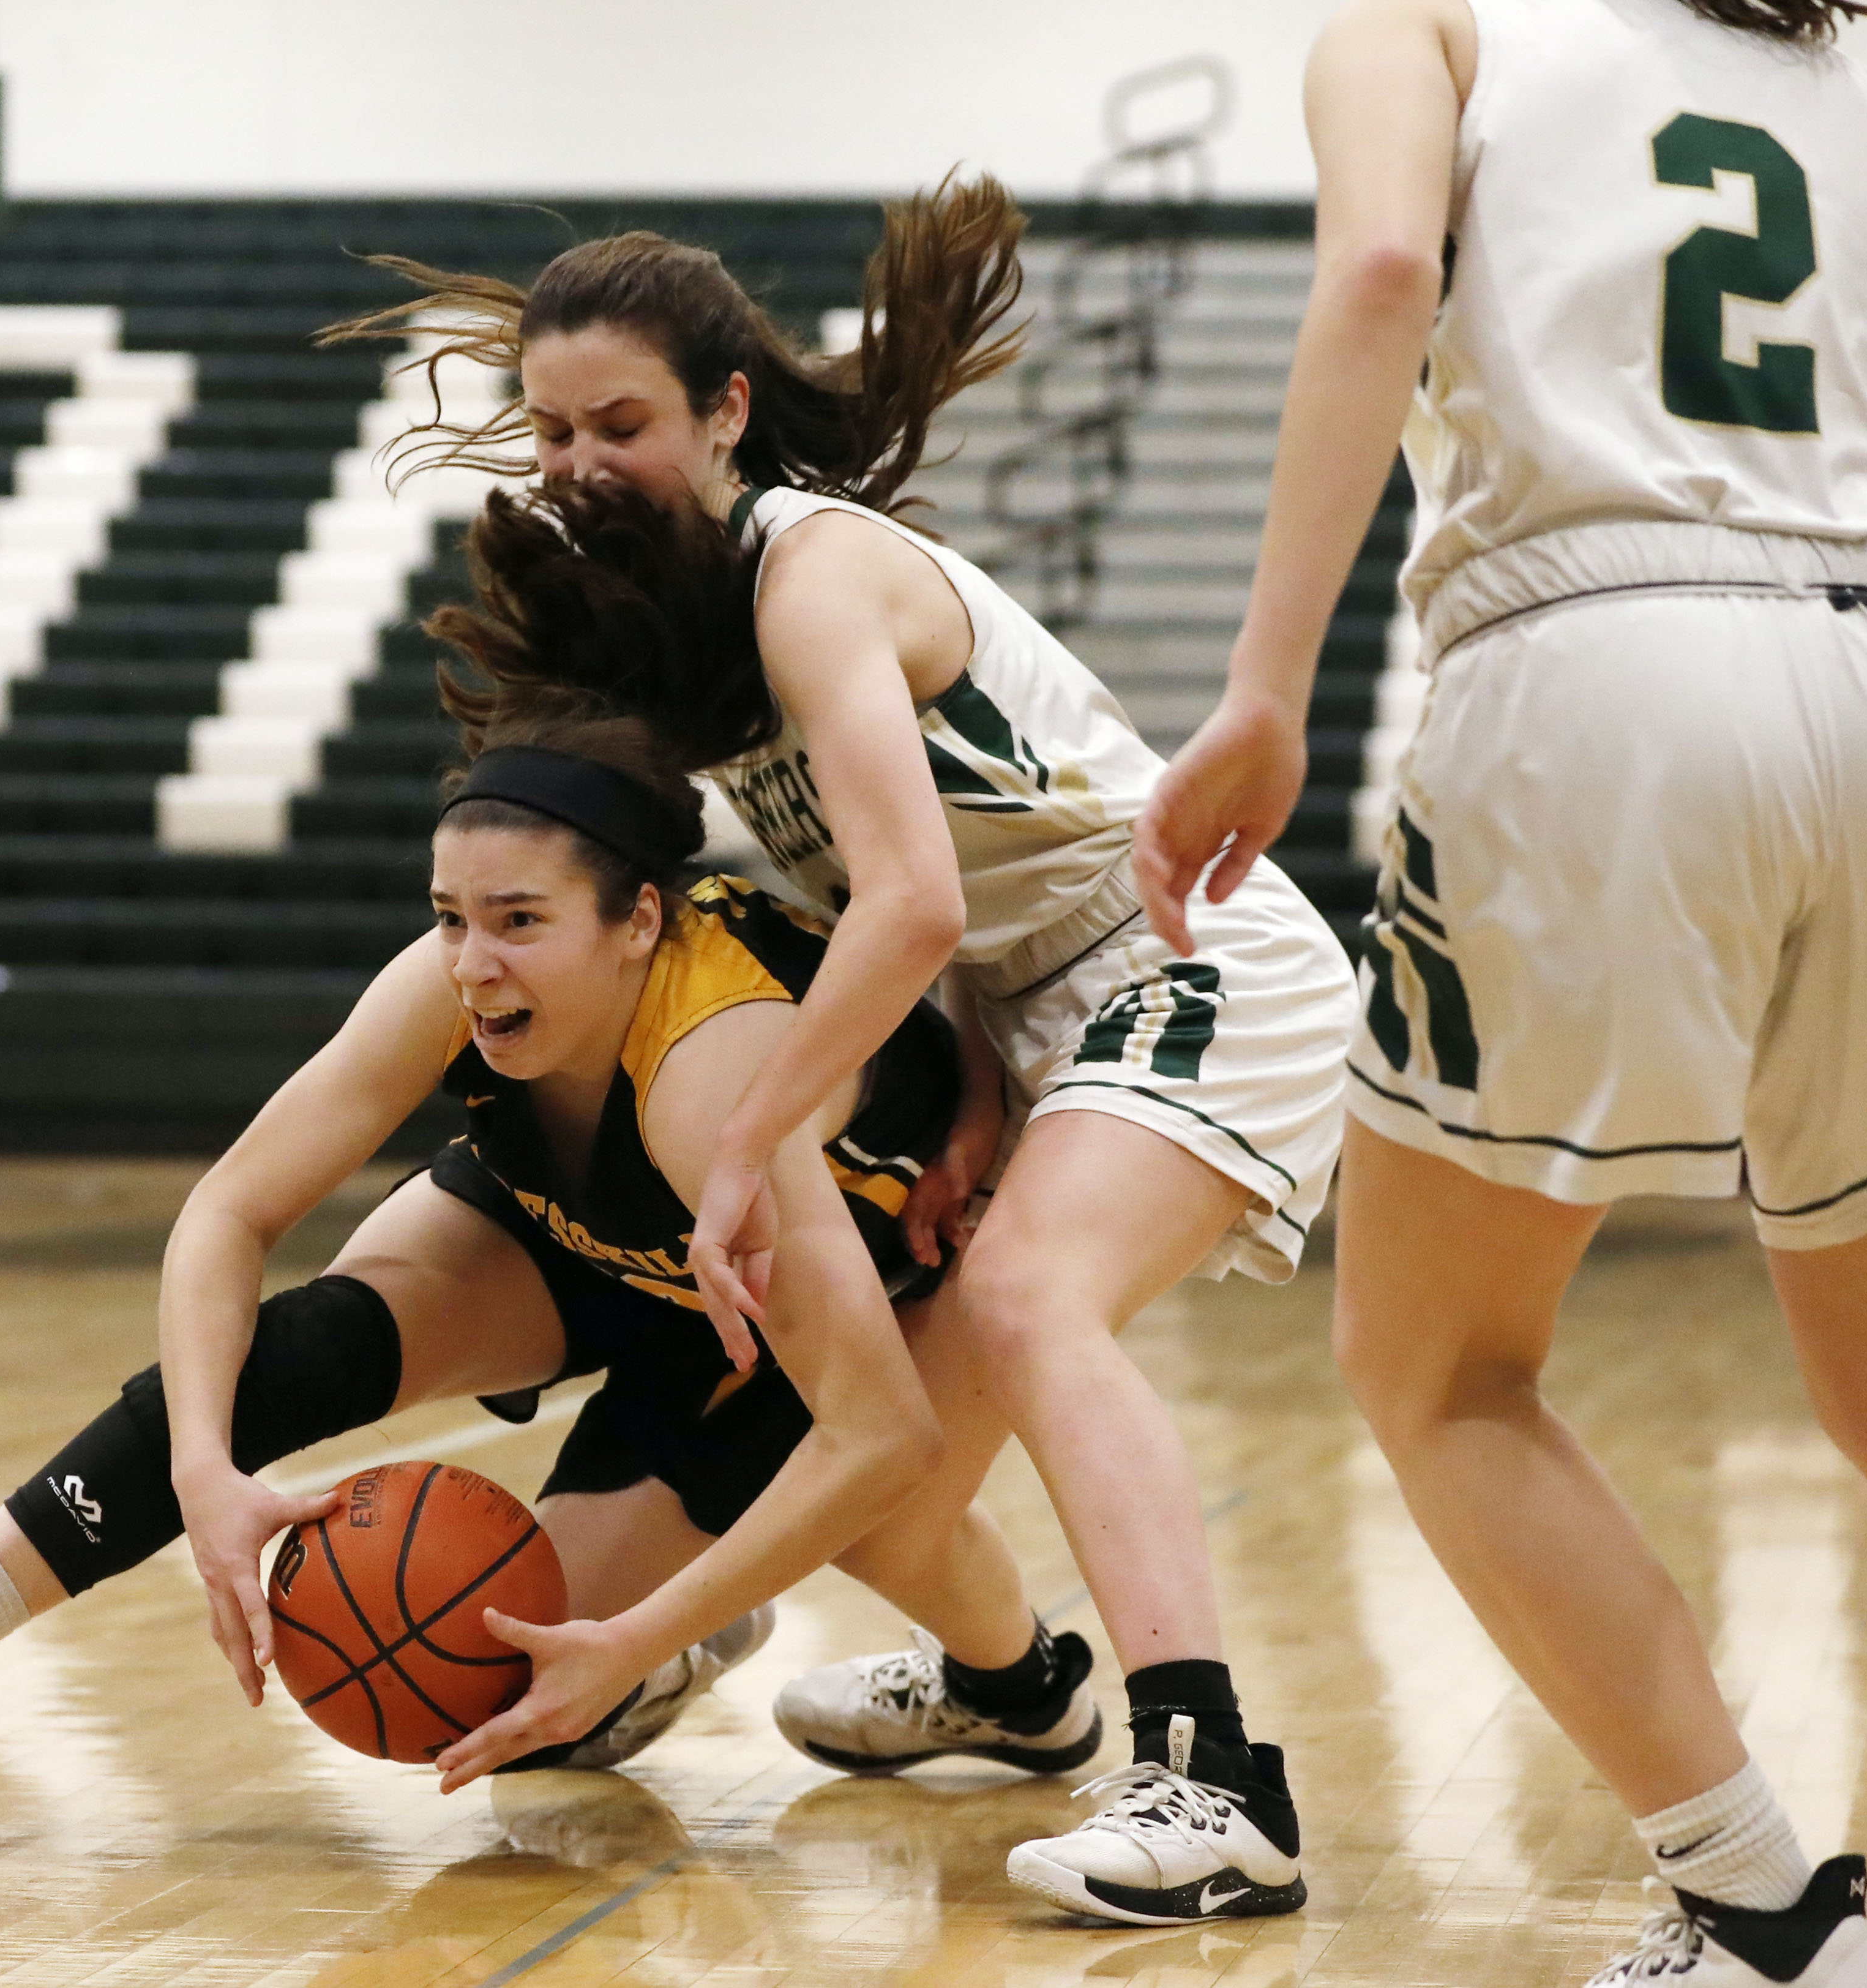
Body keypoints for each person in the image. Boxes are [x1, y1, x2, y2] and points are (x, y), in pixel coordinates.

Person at [331, 176, 1357, 1926]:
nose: (581, 462)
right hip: (1034, 1009)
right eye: (554, 428)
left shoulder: (805, 575)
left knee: (1031, 1301)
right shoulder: (700, 628)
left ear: (726, 411)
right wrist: (968, 1090)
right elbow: (941, 912)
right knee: (875, 1472)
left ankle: (1213, 1780)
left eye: (625, 423)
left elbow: (914, 905)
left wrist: (748, 1152)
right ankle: (1010, 1687)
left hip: (1182, 954)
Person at [1134, 0, 1867, 1980]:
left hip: (1597, 659)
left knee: (1433, 1359)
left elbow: (1375, 269)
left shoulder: (1426, 24)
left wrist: (1265, 684)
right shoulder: (1859, 120)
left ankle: (1757, 1916)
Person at [0, 711, 1102, 1809]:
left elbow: (878, 1433)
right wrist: (204, 1478)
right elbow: (225, 1215)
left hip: (791, 1300)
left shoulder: (718, 1082)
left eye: (520, 922)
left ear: (639, 922)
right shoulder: (459, 982)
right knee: (294, 1350)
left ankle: (1015, 1685)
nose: (473, 963)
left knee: (507, 1647)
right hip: (594, 1229)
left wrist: (638, 1627)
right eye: (451, 917)